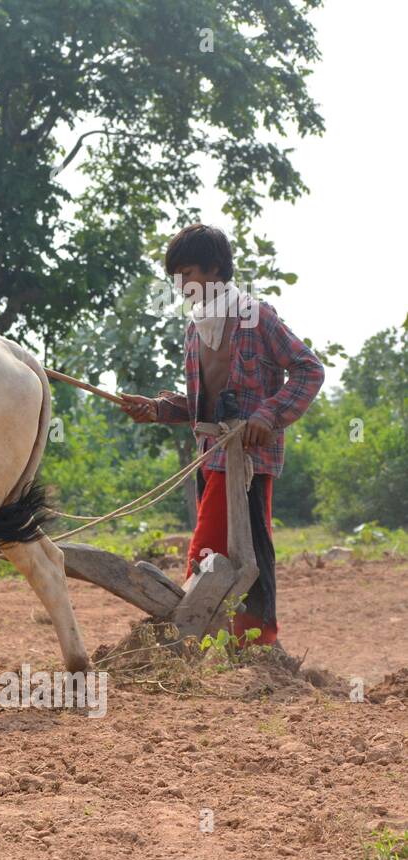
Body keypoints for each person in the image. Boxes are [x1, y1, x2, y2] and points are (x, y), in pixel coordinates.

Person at [120, 224, 324, 646]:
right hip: (209, 454)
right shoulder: (195, 329)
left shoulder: (257, 316)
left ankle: (229, 639)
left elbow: (309, 369)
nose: (181, 285)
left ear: (216, 269)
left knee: (222, 550)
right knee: (226, 551)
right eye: (175, 277)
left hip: (247, 460)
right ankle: (235, 640)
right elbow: (202, 406)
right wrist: (158, 409)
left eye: (188, 273)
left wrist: (268, 415)